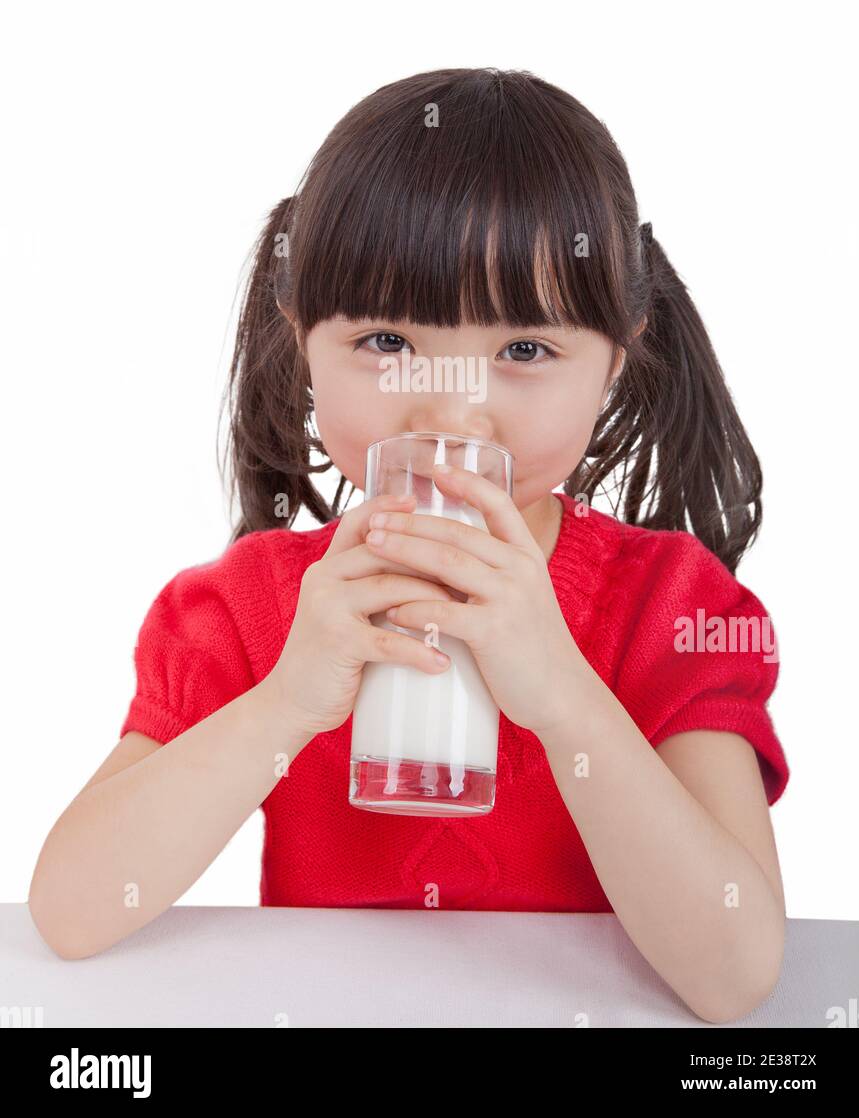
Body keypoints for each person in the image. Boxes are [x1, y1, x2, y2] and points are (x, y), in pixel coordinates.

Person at [28, 67, 788, 1024]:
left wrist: (561, 694)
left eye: (524, 351)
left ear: (620, 354)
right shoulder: (250, 610)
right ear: (300, 336)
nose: (450, 408)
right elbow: (72, 912)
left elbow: (737, 973)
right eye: (387, 340)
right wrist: (286, 704)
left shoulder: (674, 611)